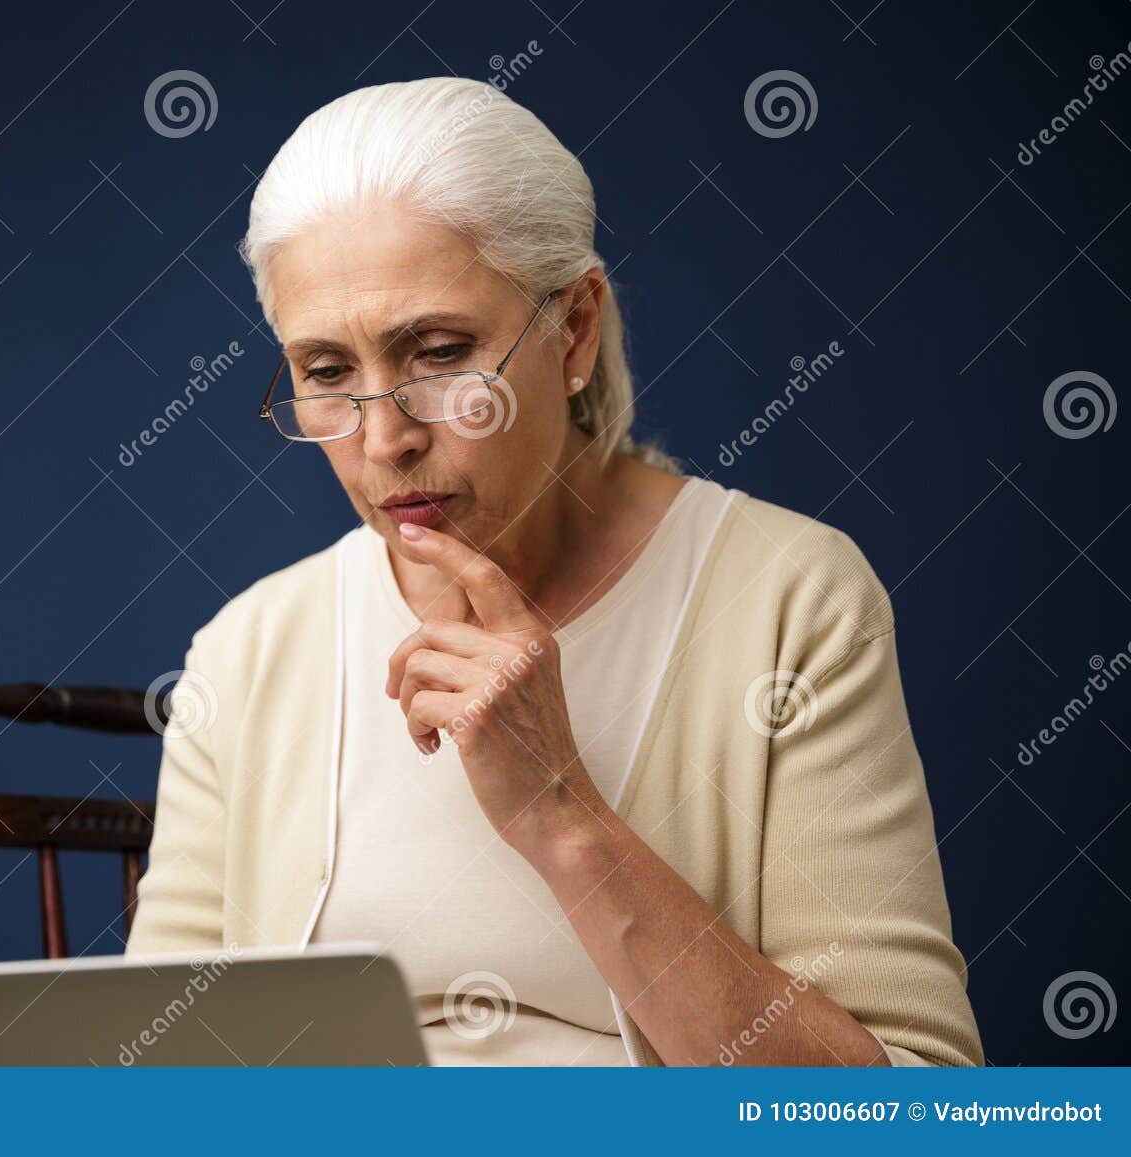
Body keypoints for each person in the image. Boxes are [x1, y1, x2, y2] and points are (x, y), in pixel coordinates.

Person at [124, 76, 982, 1068]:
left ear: (572, 328)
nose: (384, 437)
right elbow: (160, 1079)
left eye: (440, 353)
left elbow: (910, 1110)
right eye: (324, 373)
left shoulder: (787, 598)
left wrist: (559, 812)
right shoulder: (249, 648)